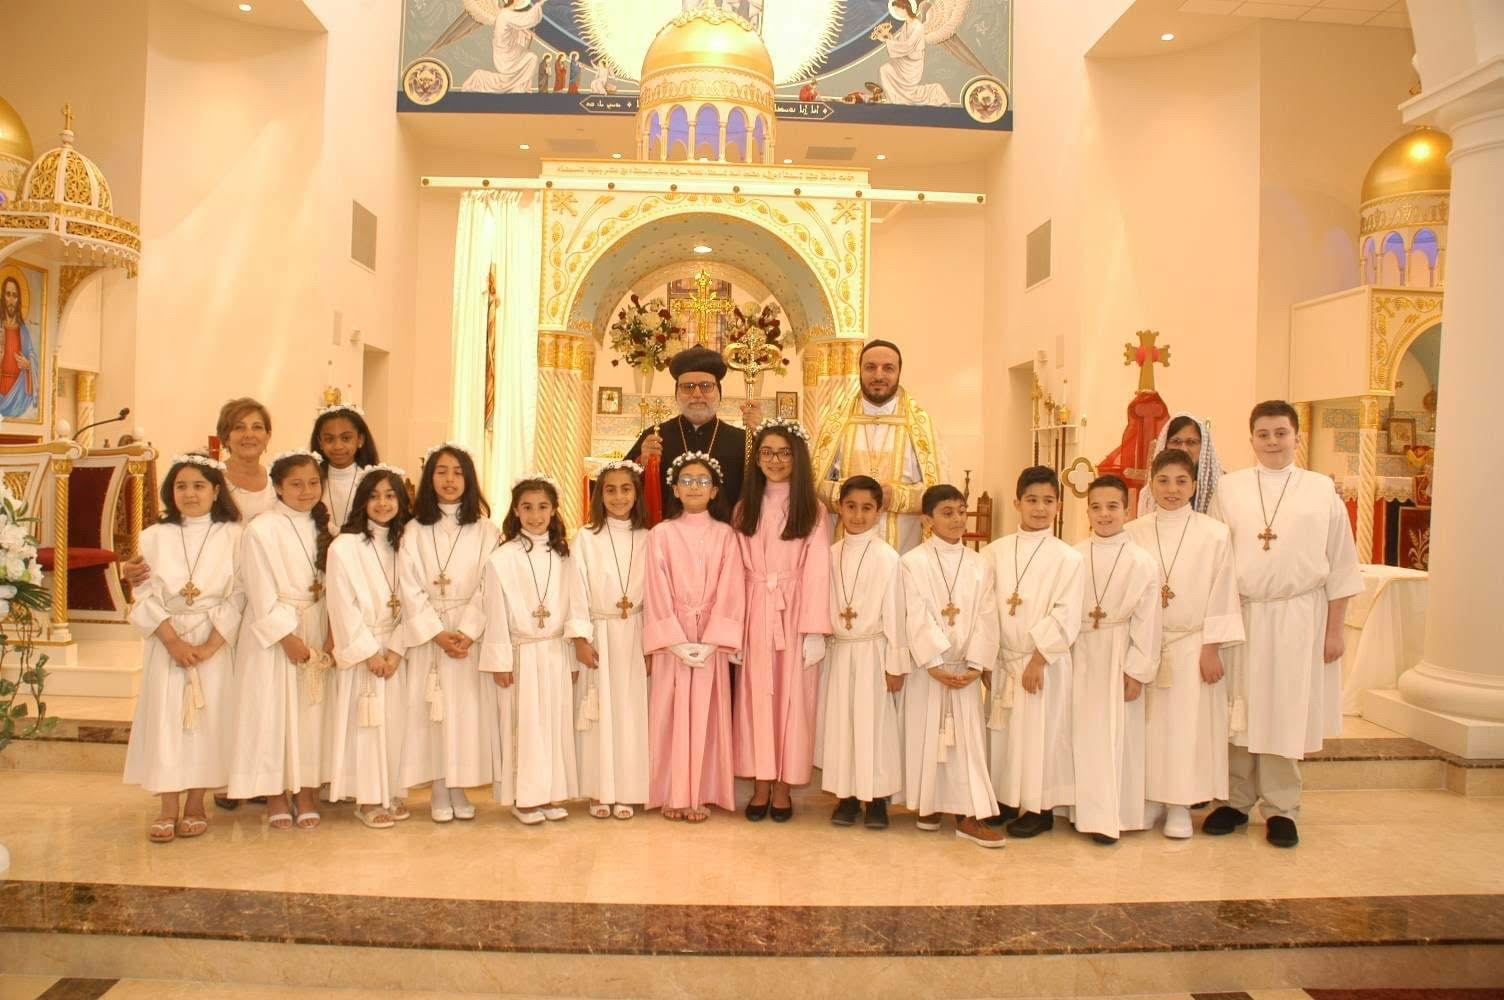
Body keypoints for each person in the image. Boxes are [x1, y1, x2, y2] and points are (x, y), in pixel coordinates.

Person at [1203, 401, 1361, 848]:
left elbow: (1342, 565)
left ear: (1297, 437)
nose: (1272, 442)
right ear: (1250, 438)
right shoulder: (1229, 490)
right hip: (1243, 612)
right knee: (1239, 708)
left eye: (1281, 433)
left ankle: (1281, 808)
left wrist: (1335, 630)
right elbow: (1216, 563)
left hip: (1298, 616)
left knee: (1284, 709)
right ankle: (1235, 800)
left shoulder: (1320, 490)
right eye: (1263, 434)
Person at [123, 454, 243, 843]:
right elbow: (142, 593)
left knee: (208, 722)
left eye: (198, 486)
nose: (189, 494)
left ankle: (196, 802)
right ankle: (167, 806)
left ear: (216, 491)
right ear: (169, 491)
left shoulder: (235, 536)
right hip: (167, 641)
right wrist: (172, 641)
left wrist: (211, 644)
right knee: (167, 722)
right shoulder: (152, 537)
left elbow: (241, 594)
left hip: (214, 642)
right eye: (181, 486)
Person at [1124, 449, 1244, 838]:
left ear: (1194, 485)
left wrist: (1212, 647)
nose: (1172, 490)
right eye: (1163, 481)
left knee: (1185, 728)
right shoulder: (1133, 532)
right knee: (1146, 727)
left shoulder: (1214, 533)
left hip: (1192, 646)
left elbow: (1223, 590)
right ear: (1151, 485)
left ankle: (1179, 804)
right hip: (1146, 644)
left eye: (1181, 481)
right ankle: (1148, 800)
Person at [226, 450, 333, 830]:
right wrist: (286, 637)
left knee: (310, 715)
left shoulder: (324, 526)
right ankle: (274, 793)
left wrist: (328, 634)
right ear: (277, 487)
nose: (306, 491)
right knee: (273, 714)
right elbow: (258, 590)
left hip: (316, 625)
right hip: (275, 633)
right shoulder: (261, 528)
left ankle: (305, 791)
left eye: (313, 483)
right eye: (296, 484)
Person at [734, 418, 831, 823]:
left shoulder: (812, 509)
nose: (776, 460)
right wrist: (734, 628)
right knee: (756, 697)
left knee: (793, 699)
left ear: (798, 458)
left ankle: (784, 786)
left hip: (793, 612)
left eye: (785, 453)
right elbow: (736, 570)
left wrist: (813, 630)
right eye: (768, 452)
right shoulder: (745, 507)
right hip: (755, 609)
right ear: (757, 459)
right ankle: (759, 784)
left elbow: (819, 569)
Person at [396, 443, 500, 822]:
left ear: (469, 478)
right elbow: (407, 586)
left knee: (466, 714)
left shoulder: (486, 529)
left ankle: (459, 785)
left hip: (468, 637)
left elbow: (491, 583)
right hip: (433, 638)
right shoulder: (413, 529)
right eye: (441, 471)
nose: (450, 479)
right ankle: (440, 786)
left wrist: (469, 630)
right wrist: (436, 632)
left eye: (457, 472)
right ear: (429, 478)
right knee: (433, 713)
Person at [480, 475, 592, 825]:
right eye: (527, 507)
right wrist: (500, 661)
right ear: (515, 510)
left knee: (554, 724)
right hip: (522, 653)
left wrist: (575, 654)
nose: (535, 515)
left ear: (554, 510)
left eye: (543, 507)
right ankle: (525, 798)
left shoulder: (565, 555)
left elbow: (577, 605)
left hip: (556, 652)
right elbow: (494, 612)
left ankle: (551, 792)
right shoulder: (502, 558)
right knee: (525, 726)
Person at [980, 466, 1084, 839]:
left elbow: (1066, 612)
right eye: (1032, 500)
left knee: (1042, 733)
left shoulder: (1067, 558)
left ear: (1059, 505)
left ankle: (1039, 807)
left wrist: (1039, 658)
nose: (1040, 509)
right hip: (1005, 658)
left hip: (1043, 662)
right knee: (1005, 734)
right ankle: (1006, 800)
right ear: (1017, 503)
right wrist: (987, 660)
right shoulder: (994, 553)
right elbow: (986, 609)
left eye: (1048, 501)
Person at [899, 484, 1005, 848]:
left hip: (964, 669)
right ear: (927, 520)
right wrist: (933, 661)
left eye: (962, 510)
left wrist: (975, 663)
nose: (958, 518)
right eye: (947, 512)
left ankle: (969, 815)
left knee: (966, 745)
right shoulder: (912, 563)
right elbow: (915, 615)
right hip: (929, 670)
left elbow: (987, 616)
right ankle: (929, 806)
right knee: (928, 737)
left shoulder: (980, 565)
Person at [642, 452, 745, 823]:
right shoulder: (660, 534)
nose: (695, 487)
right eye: (687, 480)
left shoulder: (726, 536)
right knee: (669, 714)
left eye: (703, 481)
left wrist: (714, 640)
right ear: (674, 488)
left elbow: (733, 587)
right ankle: (672, 792)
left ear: (715, 490)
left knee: (706, 715)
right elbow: (654, 587)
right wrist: (673, 640)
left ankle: (700, 793)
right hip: (675, 642)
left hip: (709, 643)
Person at [1069, 475, 1159, 845]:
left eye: (1112, 507)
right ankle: (1077, 810)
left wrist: (1136, 670)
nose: (1104, 515)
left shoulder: (1141, 561)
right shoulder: (1073, 555)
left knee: (1115, 735)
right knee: (1078, 733)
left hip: (1118, 653)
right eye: (1095, 507)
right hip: (1078, 653)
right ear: (1087, 510)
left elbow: (1149, 622)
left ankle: (1112, 815)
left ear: (1127, 509)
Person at [322, 465, 412, 830]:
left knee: (395, 724)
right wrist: (369, 652)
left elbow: (414, 599)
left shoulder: (406, 543)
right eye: (374, 496)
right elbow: (340, 604)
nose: (382, 503)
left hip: (395, 647)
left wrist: (398, 648)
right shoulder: (345, 546)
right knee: (367, 724)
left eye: (390, 495)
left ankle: (389, 790)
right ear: (362, 501)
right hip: (364, 651)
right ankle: (368, 797)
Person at [815, 475, 906, 830]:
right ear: (840, 507)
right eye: (851, 506)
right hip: (840, 651)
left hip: (873, 652)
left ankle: (877, 798)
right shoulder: (829, 553)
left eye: (867, 508)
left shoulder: (888, 557)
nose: (857, 515)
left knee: (875, 725)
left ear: (879, 511)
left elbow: (896, 614)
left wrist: (896, 663)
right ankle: (846, 796)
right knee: (841, 724)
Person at [119, 398, 277, 599]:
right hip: (219, 591)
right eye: (239, 427)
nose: (249, 434)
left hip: (269, 584)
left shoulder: (280, 483)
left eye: (257, 427)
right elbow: (180, 536)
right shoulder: (205, 480)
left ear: (268, 436)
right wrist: (137, 569)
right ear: (225, 437)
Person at [573, 460, 651, 819]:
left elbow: (657, 593)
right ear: (598, 495)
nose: (619, 497)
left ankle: (629, 789)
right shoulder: (585, 538)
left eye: (626, 489)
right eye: (610, 489)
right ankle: (599, 789)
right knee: (599, 712)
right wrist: (581, 639)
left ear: (637, 494)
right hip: (600, 633)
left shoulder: (650, 537)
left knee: (631, 713)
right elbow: (577, 589)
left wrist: (652, 642)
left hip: (635, 632)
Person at [811, 340, 943, 552]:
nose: (879, 376)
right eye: (870, 367)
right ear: (859, 370)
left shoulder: (920, 426)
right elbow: (814, 487)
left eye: (888, 368)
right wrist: (850, 496)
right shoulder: (836, 424)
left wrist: (896, 497)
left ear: (899, 372)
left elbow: (937, 495)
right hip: (846, 547)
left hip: (903, 548)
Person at [625, 345, 757, 515]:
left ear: (719, 392)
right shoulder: (655, 436)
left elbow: (764, 488)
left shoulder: (742, 440)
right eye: (688, 387)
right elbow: (619, 483)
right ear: (676, 394)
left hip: (726, 537)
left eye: (705, 386)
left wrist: (759, 433)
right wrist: (641, 463)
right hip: (666, 536)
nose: (697, 394)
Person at [310, 402, 381, 529]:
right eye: (329, 439)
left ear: (360, 440)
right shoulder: (311, 482)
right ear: (320, 442)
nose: (338, 446)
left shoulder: (372, 481)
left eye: (346, 438)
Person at [1137, 412, 1223, 516]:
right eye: (1176, 441)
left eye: (1191, 442)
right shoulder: (1147, 495)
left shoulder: (1220, 488)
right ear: (1165, 444)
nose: (1183, 449)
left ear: (1203, 446)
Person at [460, 0, 547, 94]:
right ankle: (519, 87)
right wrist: (538, 5)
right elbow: (526, 19)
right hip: (506, 54)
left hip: (508, 49)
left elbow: (513, 27)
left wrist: (525, 31)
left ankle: (519, 86)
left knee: (530, 58)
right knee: (532, 58)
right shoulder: (506, 14)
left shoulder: (505, 13)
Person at [873, 0, 950, 107]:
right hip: (904, 60)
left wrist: (888, 41)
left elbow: (908, 46)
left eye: (897, 10)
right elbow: (900, 44)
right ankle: (895, 100)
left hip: (912, 65)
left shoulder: (917, 26)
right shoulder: (906, 24)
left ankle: (935, 91)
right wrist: (888, 37)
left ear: (905, 8)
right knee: (884, 70)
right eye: (895, 11)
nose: (896, 13)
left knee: (902, 84)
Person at [0, 274, 38, 418]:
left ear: (19, 300)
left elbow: (33, 356)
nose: (11, 300)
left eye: (15, 296)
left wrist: (29, 364)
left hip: (19, 394)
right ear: (3, 296)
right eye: (8, 294)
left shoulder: (23, 331)